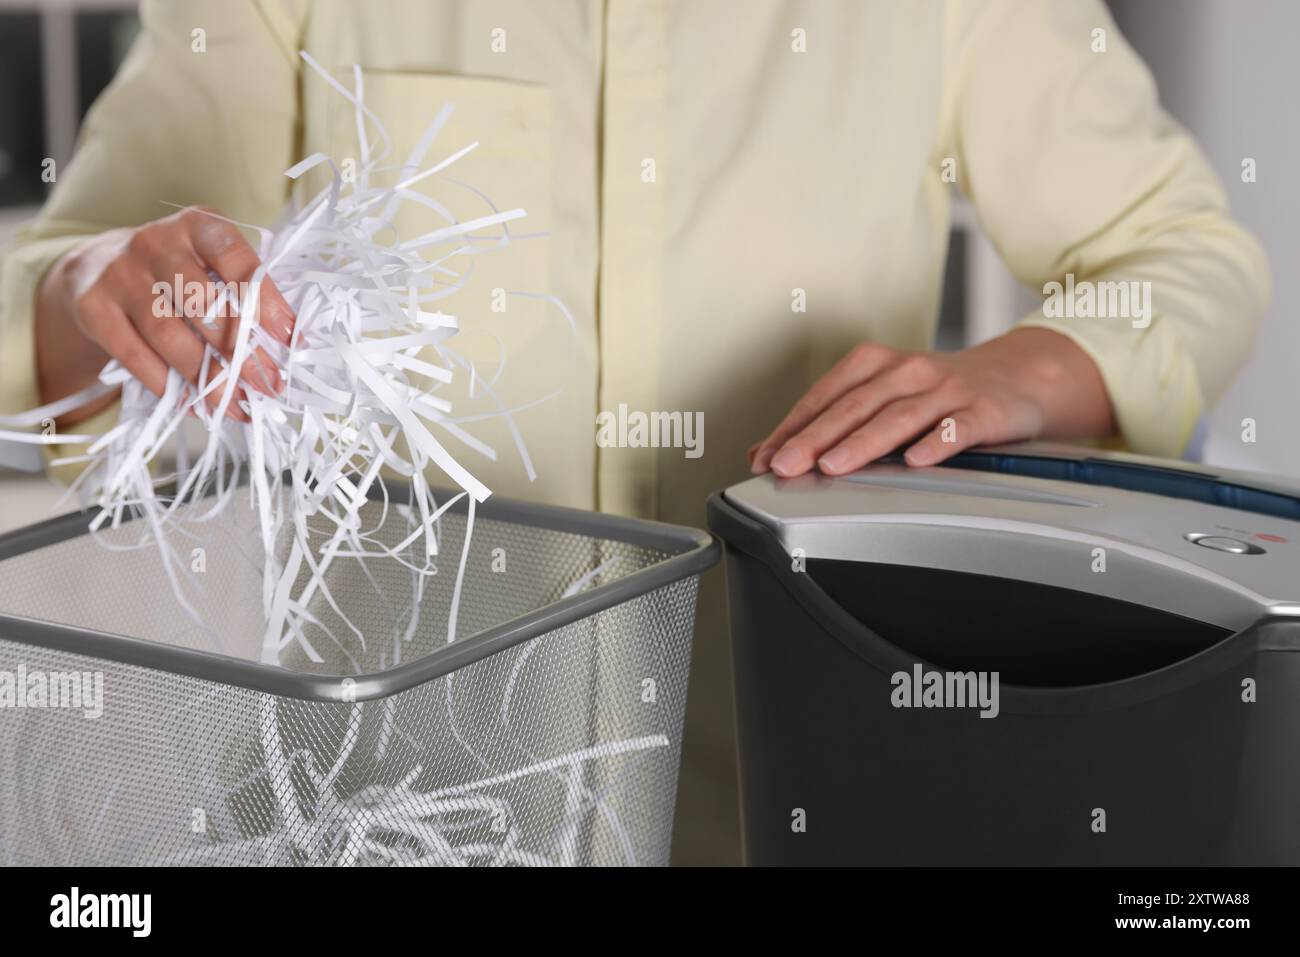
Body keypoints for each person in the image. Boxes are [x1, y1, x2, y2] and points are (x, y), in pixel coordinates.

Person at [0, 0, 1270, 865]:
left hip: (814, 797)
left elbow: (1182, 252)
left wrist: (1030, 371)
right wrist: (100, 290)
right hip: (389, 808)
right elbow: (62, 282)